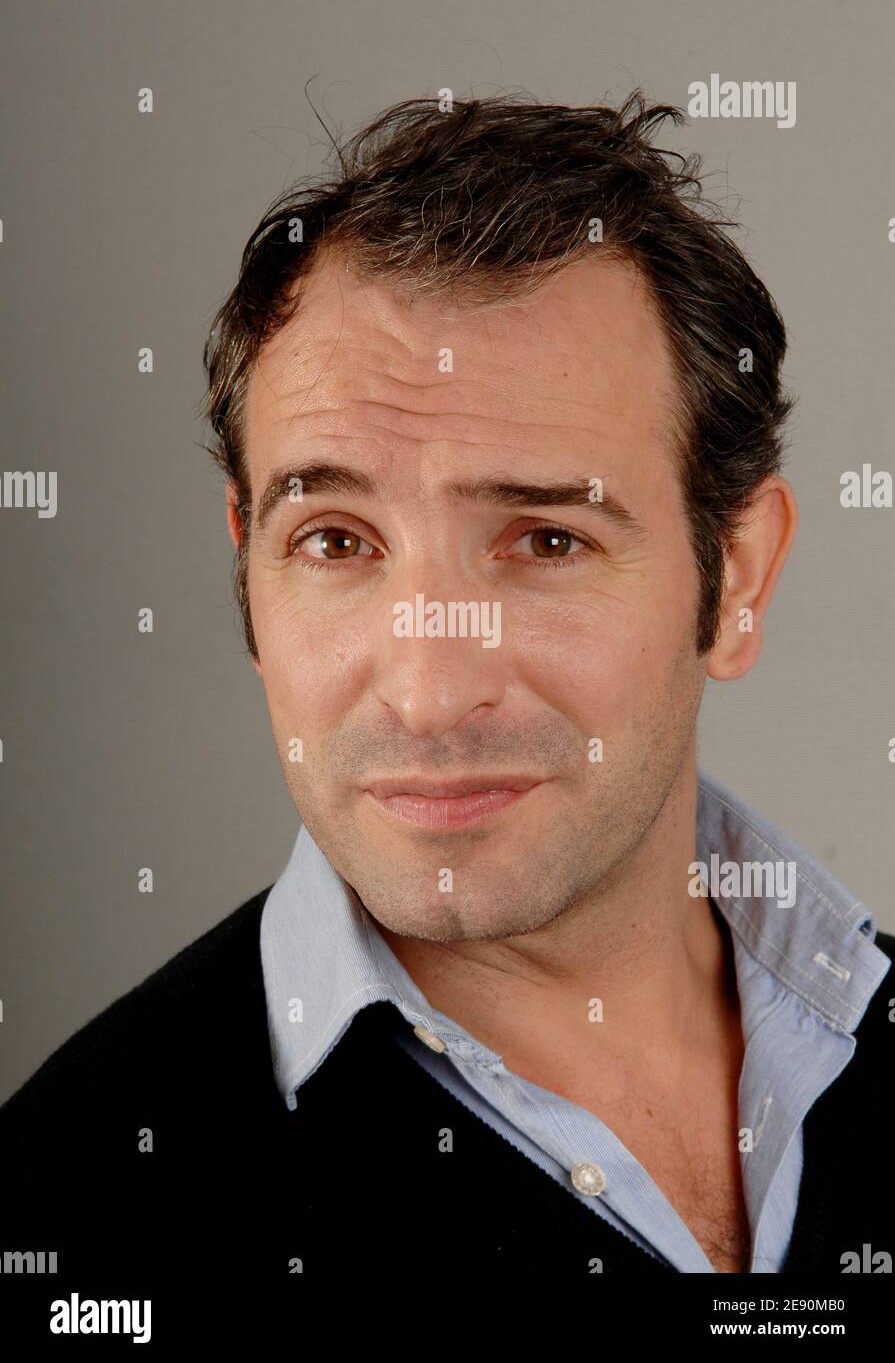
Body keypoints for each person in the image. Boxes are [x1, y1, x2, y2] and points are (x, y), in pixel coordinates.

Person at [2, 91, 891, 1283]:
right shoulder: (74, 1218)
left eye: (544, 542)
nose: (425, 692)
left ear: (733, 577)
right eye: (336, 542)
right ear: (248, 570)